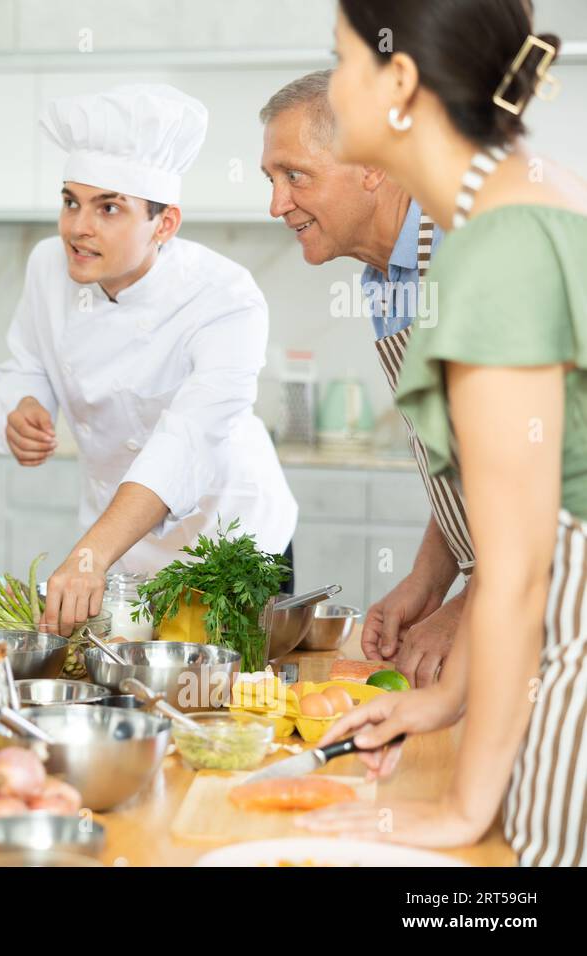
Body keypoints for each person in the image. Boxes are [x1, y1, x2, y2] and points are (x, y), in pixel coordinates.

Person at [297, 0, 587, 866]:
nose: (334, 89)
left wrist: (462, 809)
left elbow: (521, 564)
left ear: (398, 81)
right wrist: (441, 700)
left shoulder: (496, 247)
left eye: (340, 60)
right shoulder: (516, 202)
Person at [0, 84, 297, 636]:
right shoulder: (46, 268)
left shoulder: (225, 296)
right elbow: (27, 361)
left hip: (230, 541)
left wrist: (89, 555)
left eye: (109, 208)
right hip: (121, 548)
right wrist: (25, 404)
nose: (79, 227)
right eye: (70, 201)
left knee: (225, 699)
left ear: (165, 224)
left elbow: (189, 437)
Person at [259, 70, 473, 687]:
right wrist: (430, 579)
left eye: (295, 175)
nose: (277, 204)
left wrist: (472, 603)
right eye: (271, 181)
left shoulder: (466, 255)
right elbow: (461, 453)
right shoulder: (383, 282)